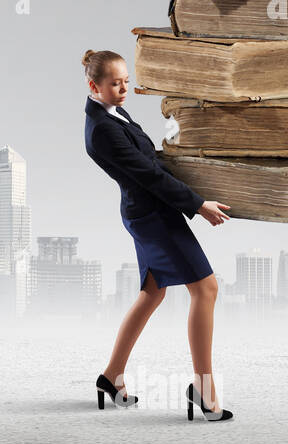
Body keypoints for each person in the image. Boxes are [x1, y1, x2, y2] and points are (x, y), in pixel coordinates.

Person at [82, 47, 234, 422]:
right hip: (152, 216)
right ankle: (203, 387)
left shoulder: (114, 114)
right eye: (114, 84)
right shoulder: (102, 130)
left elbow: (150, 158)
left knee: (152, 292)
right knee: (206, 288)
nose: (122, 89)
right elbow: (148, 174)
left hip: (146, 212)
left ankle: (111, 376)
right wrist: (198, 204)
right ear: (93, 85)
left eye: (126, 82)